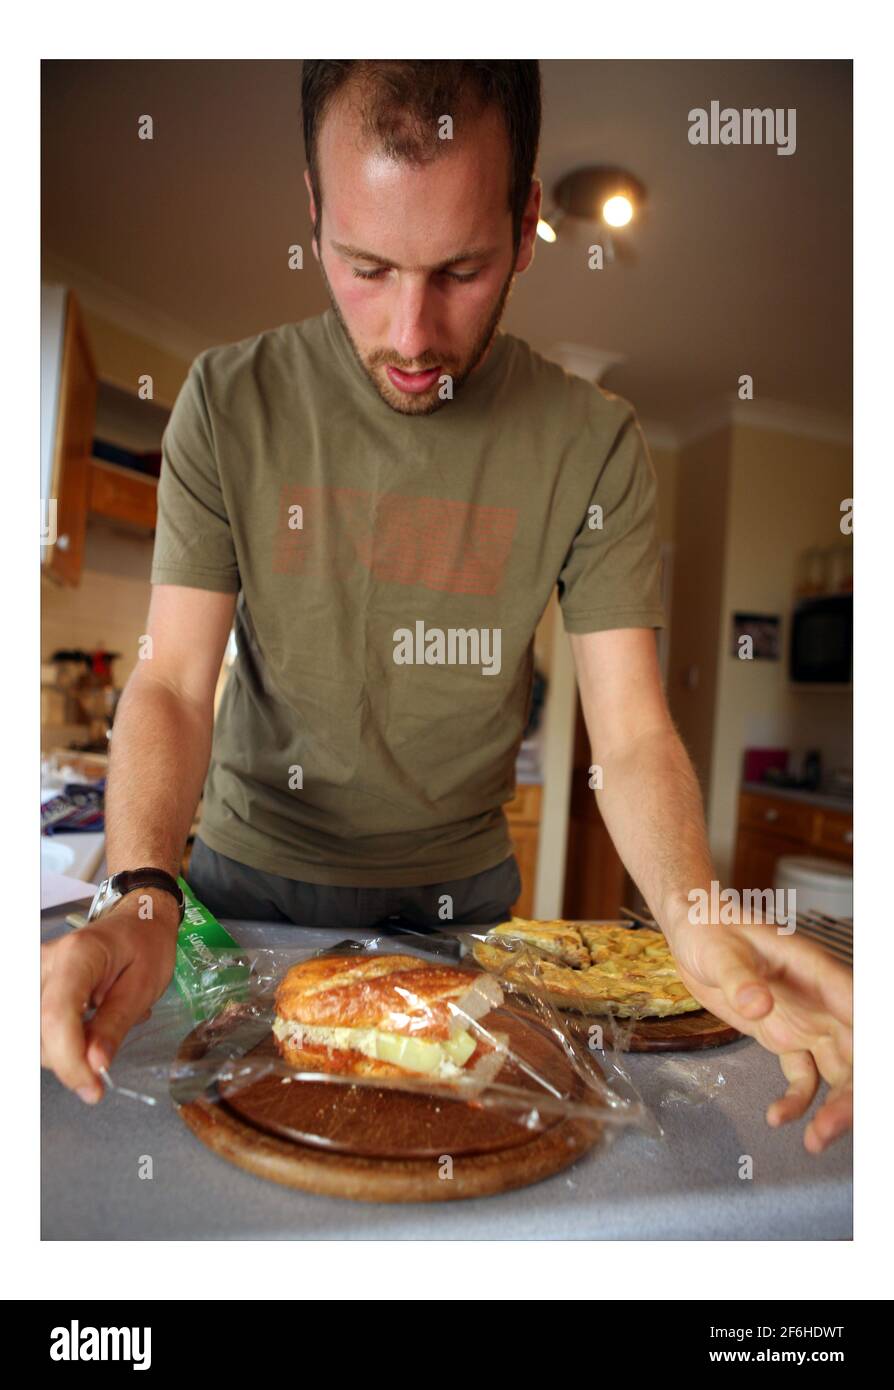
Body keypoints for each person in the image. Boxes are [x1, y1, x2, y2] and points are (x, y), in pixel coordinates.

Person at [40, 59, 852, 1151]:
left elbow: (632, 727)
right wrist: (141, 889)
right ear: (313, 214)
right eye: (366, 267)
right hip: (245, 889)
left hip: (461, 915)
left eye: (461, 270)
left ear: (525, 229)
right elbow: (177, 682)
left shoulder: (593, 444)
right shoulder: (227, 404)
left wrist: (697, 915)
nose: (412, 335)